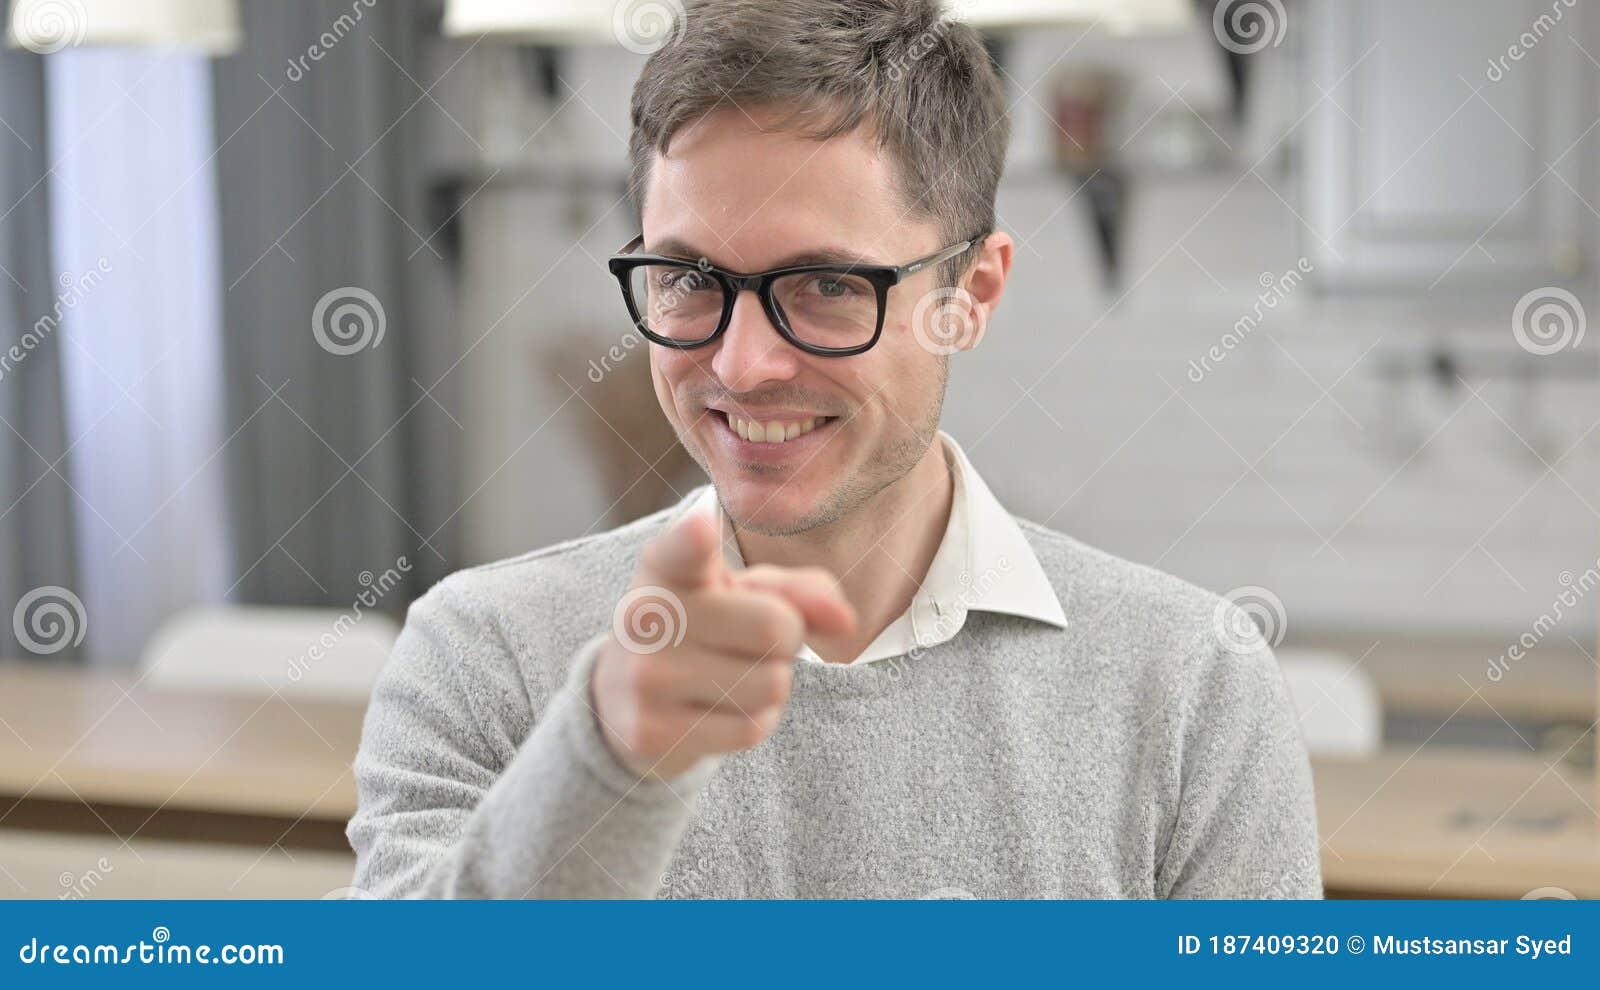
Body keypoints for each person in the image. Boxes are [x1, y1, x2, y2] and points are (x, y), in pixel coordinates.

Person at [347, 0, 1321, 899]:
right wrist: (603, 764)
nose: (744, 362)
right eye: (687, 277)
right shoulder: (484, 652)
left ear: (969, 295)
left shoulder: (1196, 685)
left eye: (824, 286)